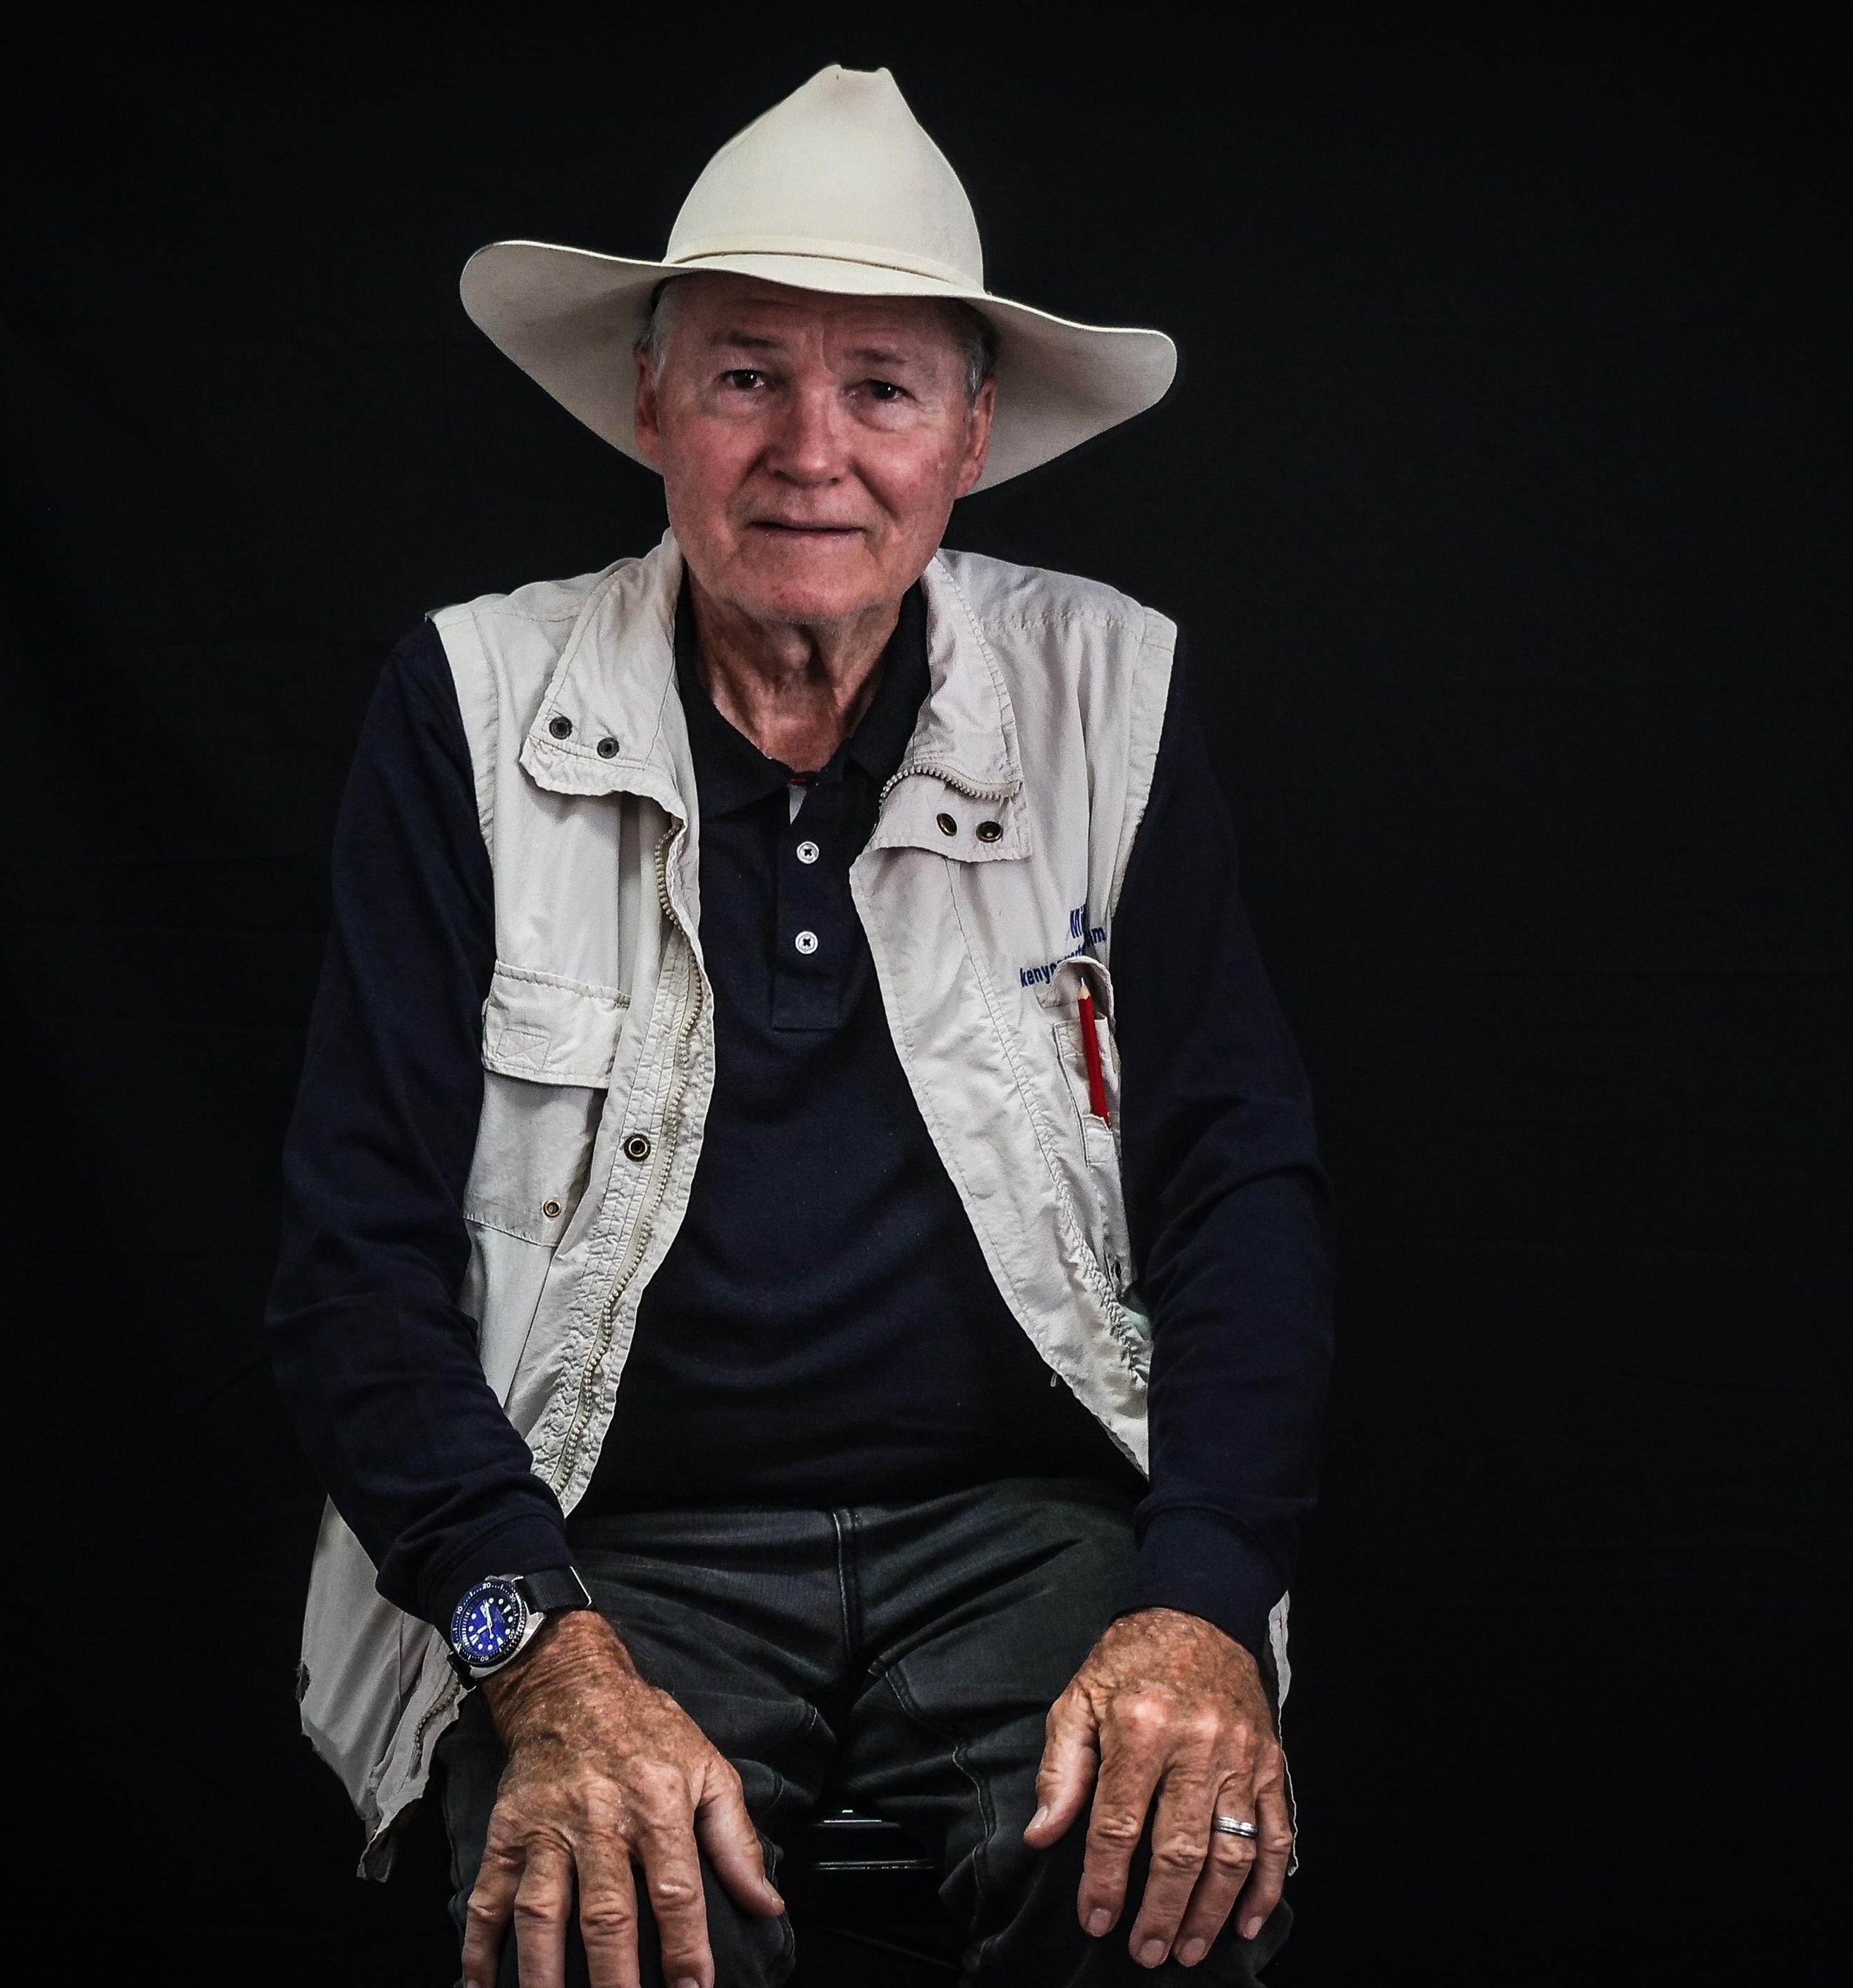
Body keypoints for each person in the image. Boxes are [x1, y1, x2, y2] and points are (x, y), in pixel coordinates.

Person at [271, 66, 1331, 1987]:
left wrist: (1198, 1604)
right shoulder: (471, 702)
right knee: (595, 1928)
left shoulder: (1109, 690)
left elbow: (1236, 1191)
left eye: (884, 389)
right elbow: (351, 1271)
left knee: (1163, 1895)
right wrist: (540, 1649)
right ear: (654, 407)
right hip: (608, 1540)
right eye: (749, 375)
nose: (810, 452)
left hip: (1031, 1533)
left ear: (974, 436)